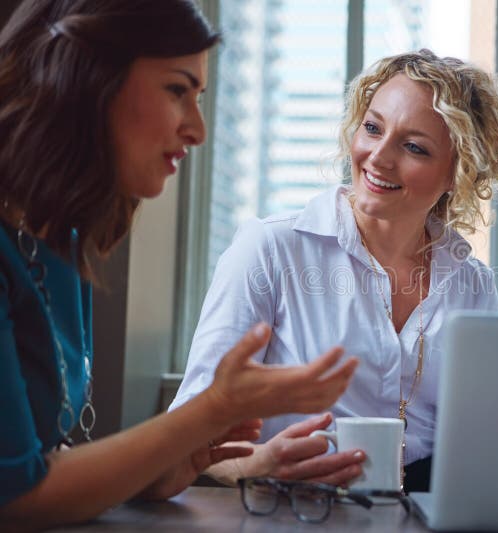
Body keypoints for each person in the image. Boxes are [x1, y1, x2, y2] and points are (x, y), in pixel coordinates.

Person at [0, 1, 358, 530]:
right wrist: (210, 410)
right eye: (176, 90)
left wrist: (166, 466)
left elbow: (46, 459)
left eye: (200, 97)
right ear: (86, 76)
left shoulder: (57, 240)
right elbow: (15, 499)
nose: (198, 130)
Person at [170, 49, 498, 492]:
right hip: (286, 511)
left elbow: (487, 445)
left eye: (414, 147)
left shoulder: (474, 285)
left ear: (458, 172)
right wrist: (262, 463)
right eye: (372, 128)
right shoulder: (270, 250)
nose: (378, 157)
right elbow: (183, 441)